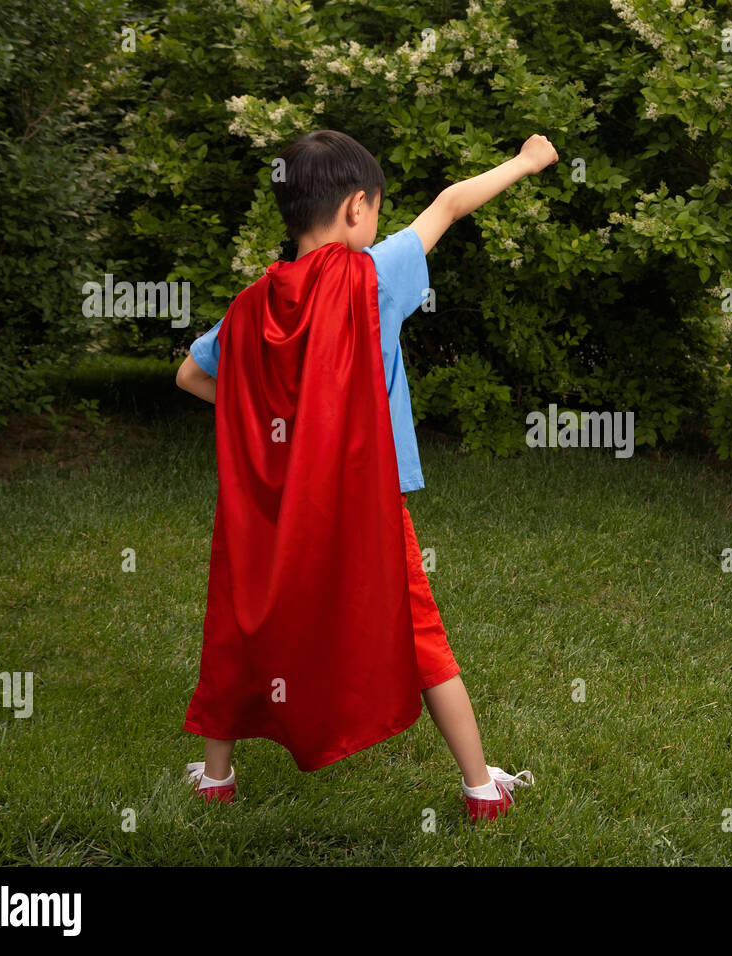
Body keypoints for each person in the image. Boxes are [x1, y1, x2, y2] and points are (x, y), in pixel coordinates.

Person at [175, 129, 557, 820]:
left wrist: (271, 422)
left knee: (243, 622)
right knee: (416, 631)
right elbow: (448, 205)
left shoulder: (249, 307)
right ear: (357, 208)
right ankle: (480, 786)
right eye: (376, 209)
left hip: (269, 510)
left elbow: (193, 376)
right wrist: (527, 162)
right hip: (360, 504)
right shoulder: (374, 278)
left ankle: (215, 777)